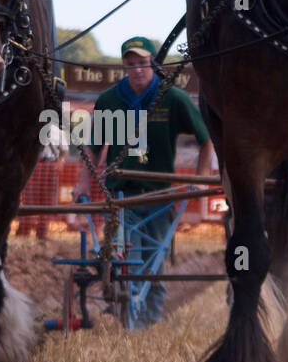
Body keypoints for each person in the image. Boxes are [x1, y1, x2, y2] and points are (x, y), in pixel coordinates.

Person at [73, 36, 213, 326]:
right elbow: (93, 147)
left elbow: (206, 140)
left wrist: (200, 179)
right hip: (122, 194)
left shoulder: (173, 98)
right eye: (130, 64)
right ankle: (129, 322)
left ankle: (147, 325)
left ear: (153, 63)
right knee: (127, 261)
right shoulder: (109, 100)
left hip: (159, 196)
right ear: (124, 66)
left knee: (153, 265)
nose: (137, 69)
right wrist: (82, 183)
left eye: (142, 63)